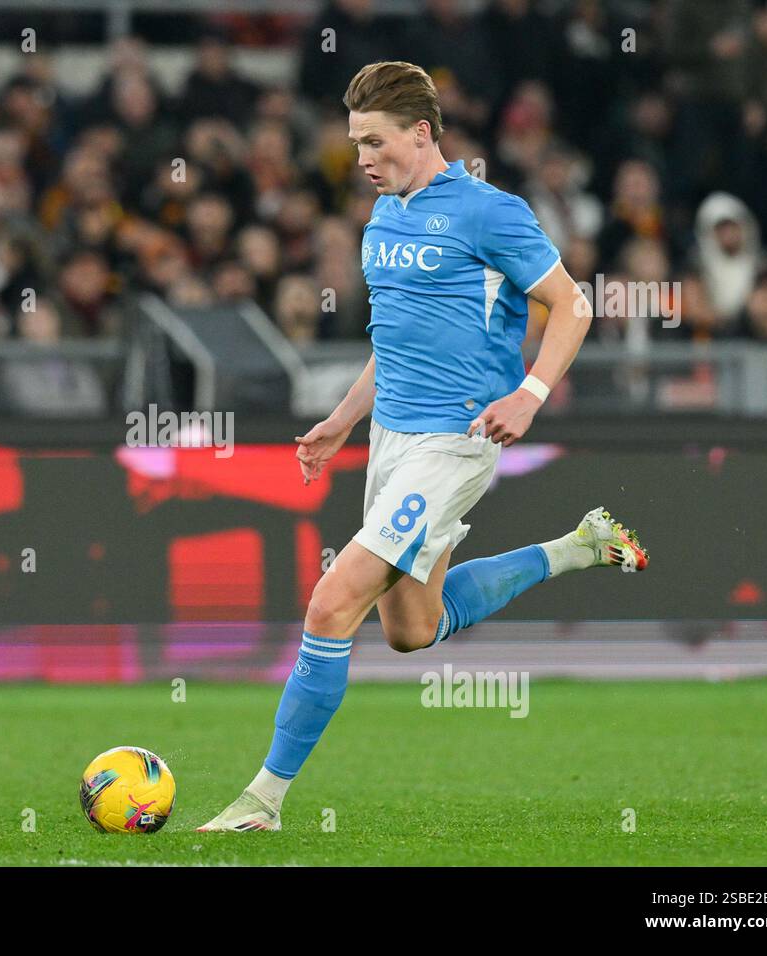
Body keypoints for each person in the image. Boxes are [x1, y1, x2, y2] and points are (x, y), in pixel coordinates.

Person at [199, 61, 648, 833]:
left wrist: (530, 394)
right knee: (410, 629)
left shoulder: (489, 212)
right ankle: (578, 548)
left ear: (422, 133)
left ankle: (263, 800)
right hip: (389, 440)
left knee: (333, 600)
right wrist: (343, 418)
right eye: (354, 143)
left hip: (456, 442)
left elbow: (571, 304)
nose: (362, 158)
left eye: (374, 141)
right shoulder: (384, 217)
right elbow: (395, 340)